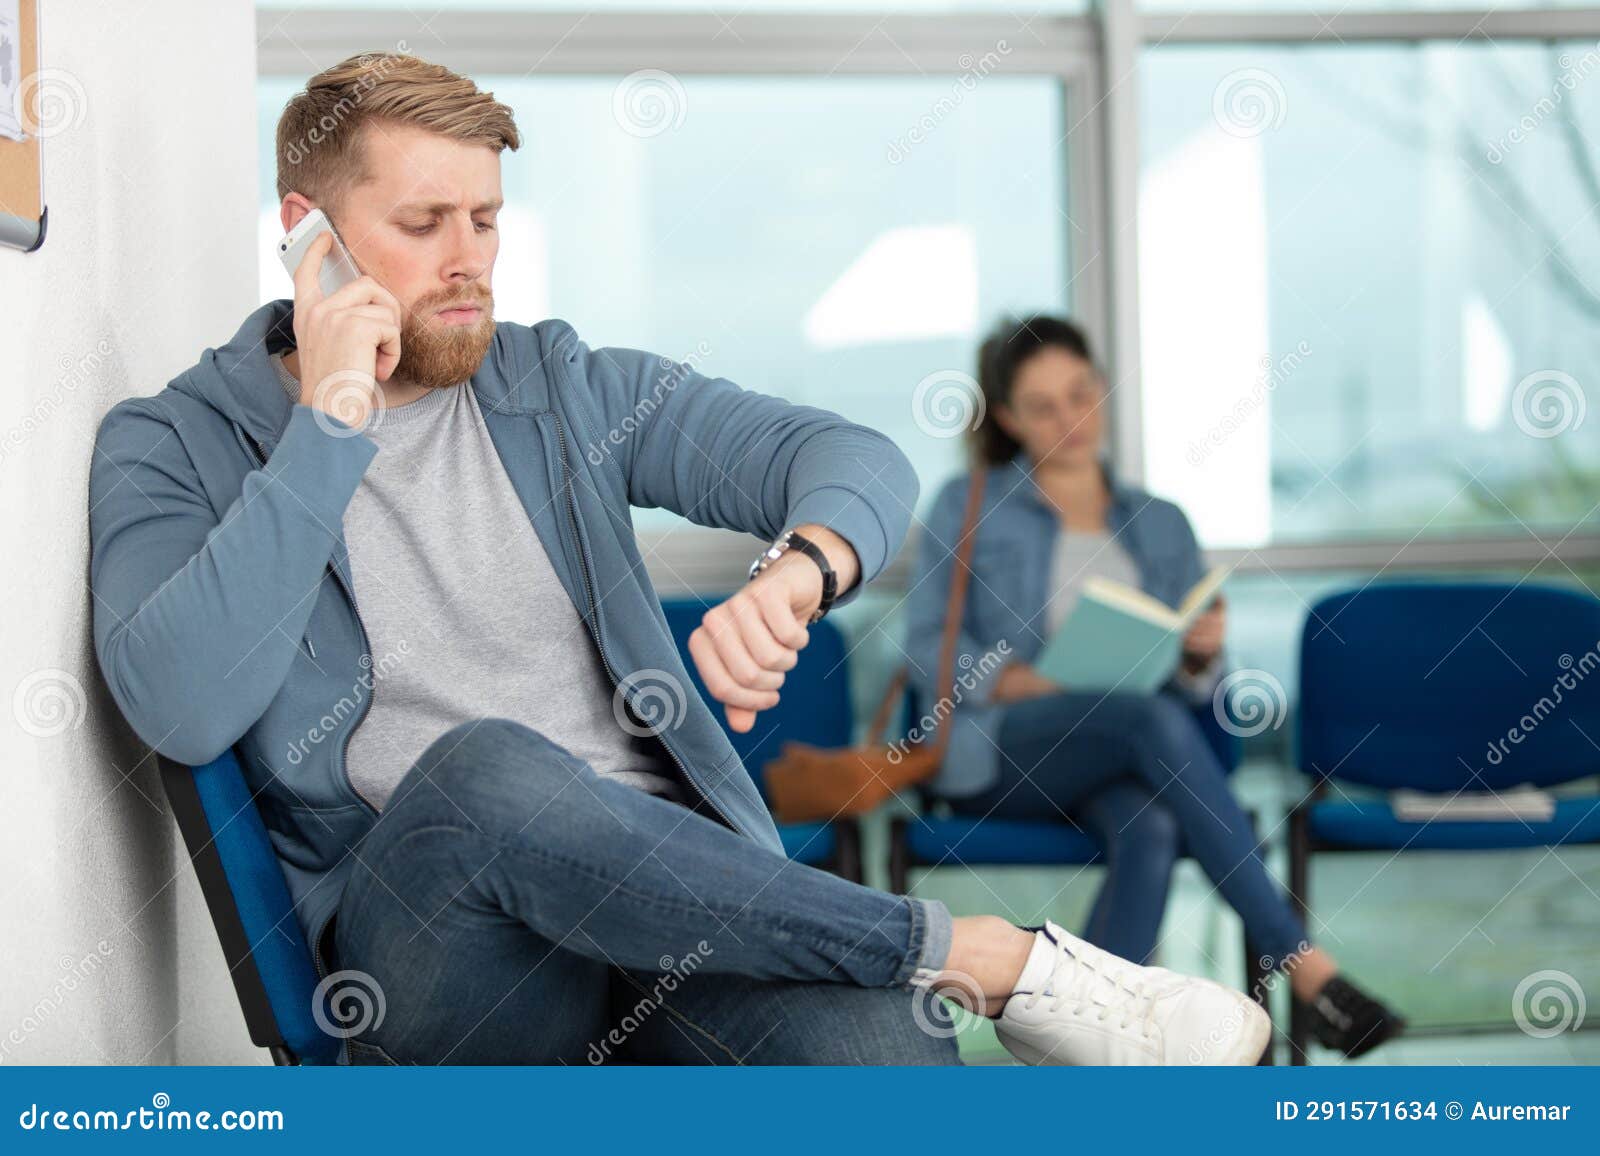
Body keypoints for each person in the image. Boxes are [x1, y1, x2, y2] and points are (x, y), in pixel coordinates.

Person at [88, 55, 1269, 1067]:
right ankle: (986, 956)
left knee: (881, 1049)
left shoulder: (558, 386)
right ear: (308, 233)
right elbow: (179, 706)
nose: (468, 261)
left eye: (485, 219)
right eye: (423, 223)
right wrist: (331, 421)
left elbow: (847, 456)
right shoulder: (174, 442)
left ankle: (930, 969)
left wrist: (799, 569)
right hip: (444, 955)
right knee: (488, 767)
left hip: (680, 910)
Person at [903, 315, 1406, 1060]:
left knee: (1153, 823)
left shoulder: (1161, 522)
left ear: (1102, 389)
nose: (1070, 419)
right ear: (1007, 418)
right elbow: (922, 648)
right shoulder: (968, 504)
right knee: (1144, 718)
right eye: (1042, 406)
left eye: (1081, 394)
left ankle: (1091, 1068)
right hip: (1008, 750)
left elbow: (1200, 689)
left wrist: (1200, 657)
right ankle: (1302, 965)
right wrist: (1016, 681)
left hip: (1123, 752)